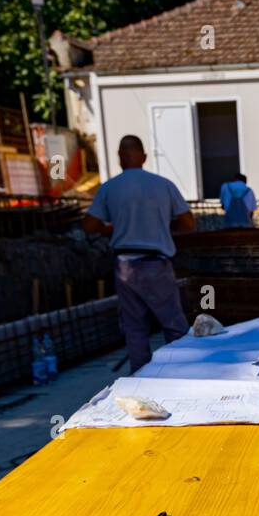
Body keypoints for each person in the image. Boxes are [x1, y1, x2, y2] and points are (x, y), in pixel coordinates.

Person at [83, 135, 197, 372]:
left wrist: (112, 227)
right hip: (156, 263)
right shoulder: (163, 184)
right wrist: (164, 225)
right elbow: (188, 223)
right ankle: (183, 371)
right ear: (144, 157)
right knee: (173, 324)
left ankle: (141, 379)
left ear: (119, 158)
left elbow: (89, 226)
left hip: (125, 265)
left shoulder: (109, 187)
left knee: (134, 327)